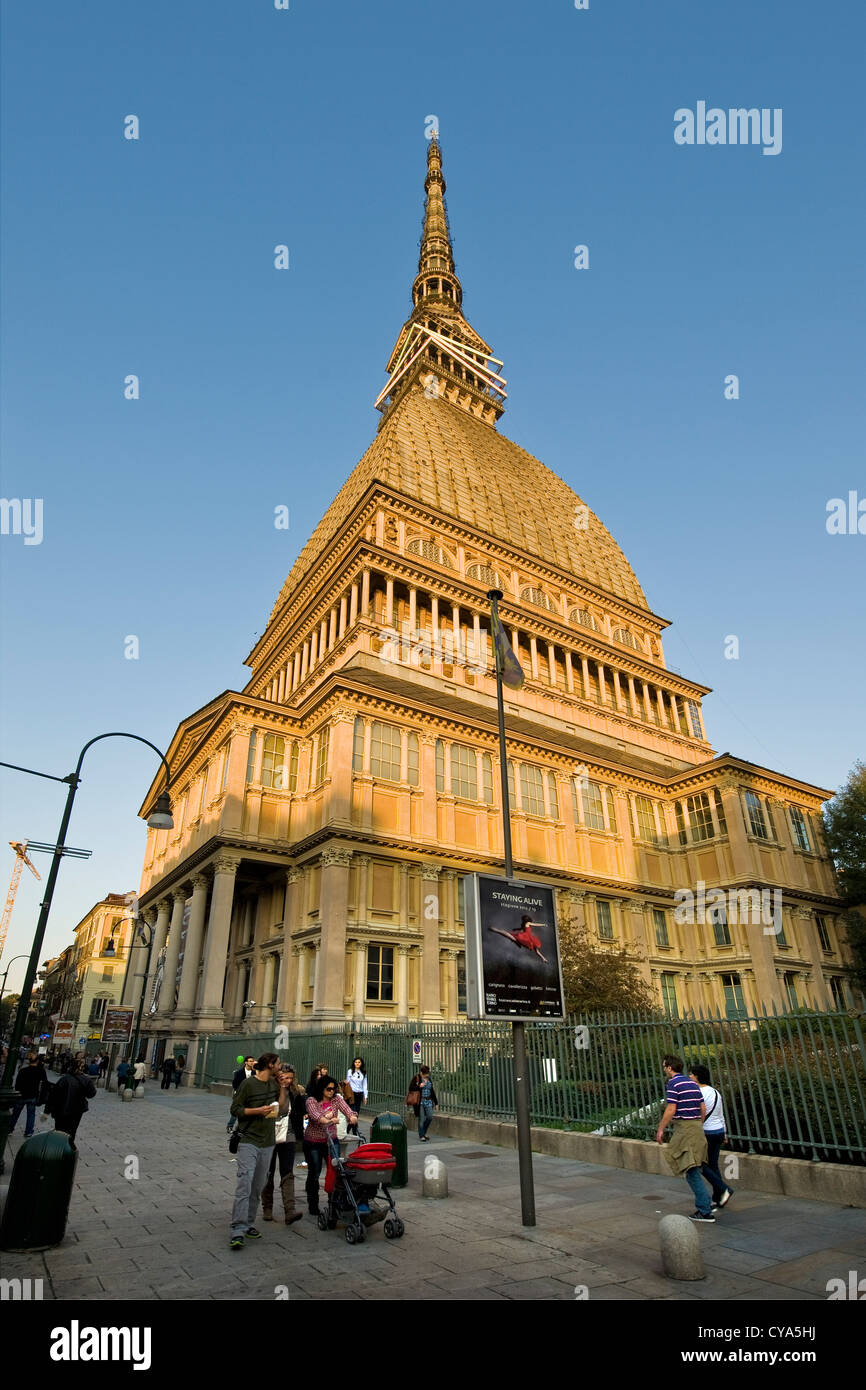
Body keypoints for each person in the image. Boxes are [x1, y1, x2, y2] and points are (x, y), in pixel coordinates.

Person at [229, 1052, 286, 1250]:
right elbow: (235, 1109)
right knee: (244, 1184)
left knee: (257, 1186)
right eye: (278, 1064)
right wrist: (257, 1111)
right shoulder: (248, 1084)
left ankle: (248, 1223)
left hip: (268, 1142)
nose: (280, 1067)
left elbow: (282, 1107)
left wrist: (283, 1086)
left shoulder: (273, 1084)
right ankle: (237, 1229)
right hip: (249, 1140)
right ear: (270, 1064)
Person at [656, 1054, 713, 1222]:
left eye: (664, 1066)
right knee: (692, 1167)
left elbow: (671, 1108)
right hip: (696, 1128)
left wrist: (661, 1129)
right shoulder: (692, 1083)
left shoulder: (673, 1083)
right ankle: (706, 1203)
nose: (664, 1069)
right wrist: (698, 1124)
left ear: (669, 1067)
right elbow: (703, 1108)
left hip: (685, 1129)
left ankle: (704, 1209)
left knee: (690, 1169)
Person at [303, 1074, 356, 1216]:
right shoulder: (312, 1101)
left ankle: (334, 1203)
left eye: (333, 1089)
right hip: (314, 1142)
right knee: (315, 1172)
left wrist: (352, 1116)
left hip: (331, 1140)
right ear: (321, 1088)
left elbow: (346, 1108)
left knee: (336, 1171)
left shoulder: (336, 1099)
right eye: (328, 1089)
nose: (331, 1092)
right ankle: (313, 1204)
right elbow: (316, 1116)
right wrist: (329, 1120)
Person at [260, 1064, 305, 1226]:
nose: (287, 1080)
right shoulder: (269, 1090)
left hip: (289, 1134)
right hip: (270, 1134)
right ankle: (267, 1208)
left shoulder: (295, 1092)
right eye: (284, 1077)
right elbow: (275, 1110)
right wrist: (281, 1090)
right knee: (268, 1171)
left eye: (290, 1078)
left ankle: (290, 1210)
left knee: (287, 1172)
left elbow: (300, 1111)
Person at [689, 1063, 734, 1211]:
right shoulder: (715, 1092)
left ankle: (724, 1188)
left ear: (697, 1076)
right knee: (713, 1165)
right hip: (718, 1131)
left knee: (700, 1164)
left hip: (706, 1132)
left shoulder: (697, 1092)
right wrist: (725, 1133)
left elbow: (698, 1114)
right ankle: (719, 1197)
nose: (689, 1076)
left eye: (691, 1074)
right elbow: (720, 1114)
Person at [46, 1059, 96, 1145]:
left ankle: (59, 1147)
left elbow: (53, 1096)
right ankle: (69, 1146)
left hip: (61, 1109)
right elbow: (91, 1094)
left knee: (60, 1130)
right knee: (72, 1130)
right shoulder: (86, 1080)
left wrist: (47, 1111)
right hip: (77, 1110)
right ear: (82, 1068)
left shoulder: (63, 1079)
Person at [10, 1053, 46, 1139]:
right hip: (33, 1095)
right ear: (37, 1061)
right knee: (31, 1114)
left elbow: (17, 1084)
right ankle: (28, 1132)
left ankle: (10, 1129)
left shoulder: (23, 1070)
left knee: (15, 1114)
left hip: (21, 1095)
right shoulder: (40, 1071)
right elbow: (45, 1083)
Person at [408, 1064, 438, 1142]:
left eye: (427, 1074)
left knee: (429, 1117)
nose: (426, 1076)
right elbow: (410, 1088)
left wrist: (436, 1103)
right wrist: (419, 1086)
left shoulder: (429, 1079)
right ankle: (422, 1135)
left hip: (429, 1101)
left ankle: (423, 1132)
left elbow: (432, 1091)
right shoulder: (416, 1078)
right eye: (425, 1074)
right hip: (420, 1102)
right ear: (421, 1073)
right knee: (421, 1119)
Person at [227, 1056, 256, 1133]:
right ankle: (230, 1126)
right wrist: (238, 1091)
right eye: (250, 1061)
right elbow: (234, 1083)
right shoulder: (239, 1072)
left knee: (247, 1112)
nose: (252, 1062)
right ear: (246, 1062)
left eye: (252, 1061)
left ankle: (243, 1128)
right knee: (237, 1111)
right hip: (240, 1095)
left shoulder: (255, 1073)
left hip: (250, 1095)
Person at [345, 1056, 367, 1135]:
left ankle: (349, 1129)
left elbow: (364, 1085)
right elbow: (347, 1082)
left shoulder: (363, 1072)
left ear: (361, 1063)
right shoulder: (350, 1071)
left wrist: (365, 1096)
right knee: (354, 1113)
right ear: (354, 1063)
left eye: (359, 1062)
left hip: (359, 1094)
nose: (357, 1064)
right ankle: (354, 1132)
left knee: (357, 1113)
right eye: (356, 1062)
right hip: (352, 1094)